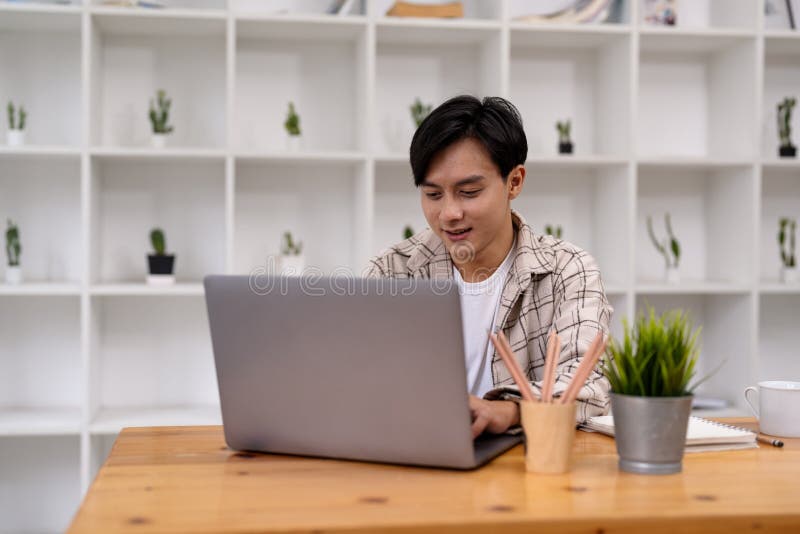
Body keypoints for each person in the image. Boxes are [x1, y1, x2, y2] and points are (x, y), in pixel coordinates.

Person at [365, 95, 613, 438]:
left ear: (515, 182)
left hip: (526, 459)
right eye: (433, 195)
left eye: (469, 192)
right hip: (415, 451)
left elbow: (590, 384)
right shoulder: (393, 271)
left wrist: (508, 411)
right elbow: (361, 381)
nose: (449, 214)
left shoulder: (567, 271)